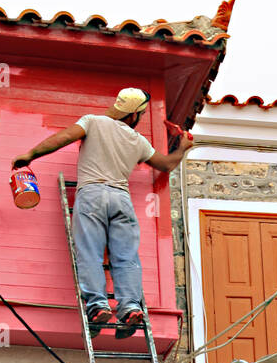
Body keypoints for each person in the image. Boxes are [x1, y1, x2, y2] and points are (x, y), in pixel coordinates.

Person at [12, 87, 192, 337]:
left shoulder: (92, 122)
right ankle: (129, 307)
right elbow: (166, 164)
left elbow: (63, 137)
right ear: (133, 116)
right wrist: (182, 148)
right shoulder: (138, 141)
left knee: (90, 252)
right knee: (126, 257)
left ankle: (97, 306)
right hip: (121, 199)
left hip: (92, 195)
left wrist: (31, 154)